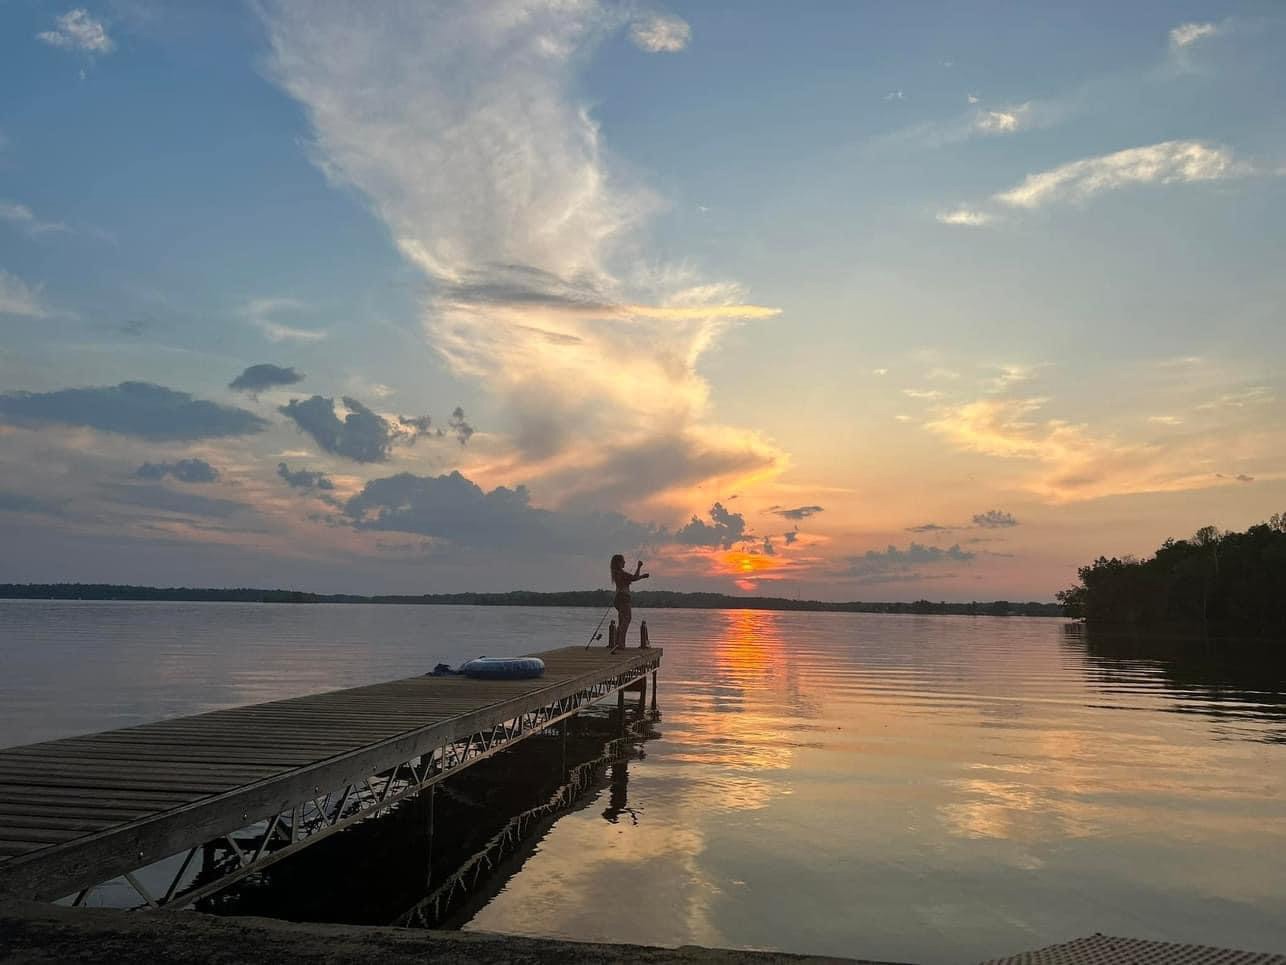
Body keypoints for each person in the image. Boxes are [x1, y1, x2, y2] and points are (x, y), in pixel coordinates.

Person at [610, 554, 648, 650]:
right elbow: (634, 577)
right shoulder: (621, 573)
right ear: (618, 563)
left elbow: (633, 578)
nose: (625, 562)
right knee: (626, 620)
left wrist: (642, 576)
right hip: (624, 598)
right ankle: (620, 644)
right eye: (623, 561)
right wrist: (639, 567)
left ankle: (618, 643)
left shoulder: (616, 573)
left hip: (618, 599)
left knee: (622, 620)